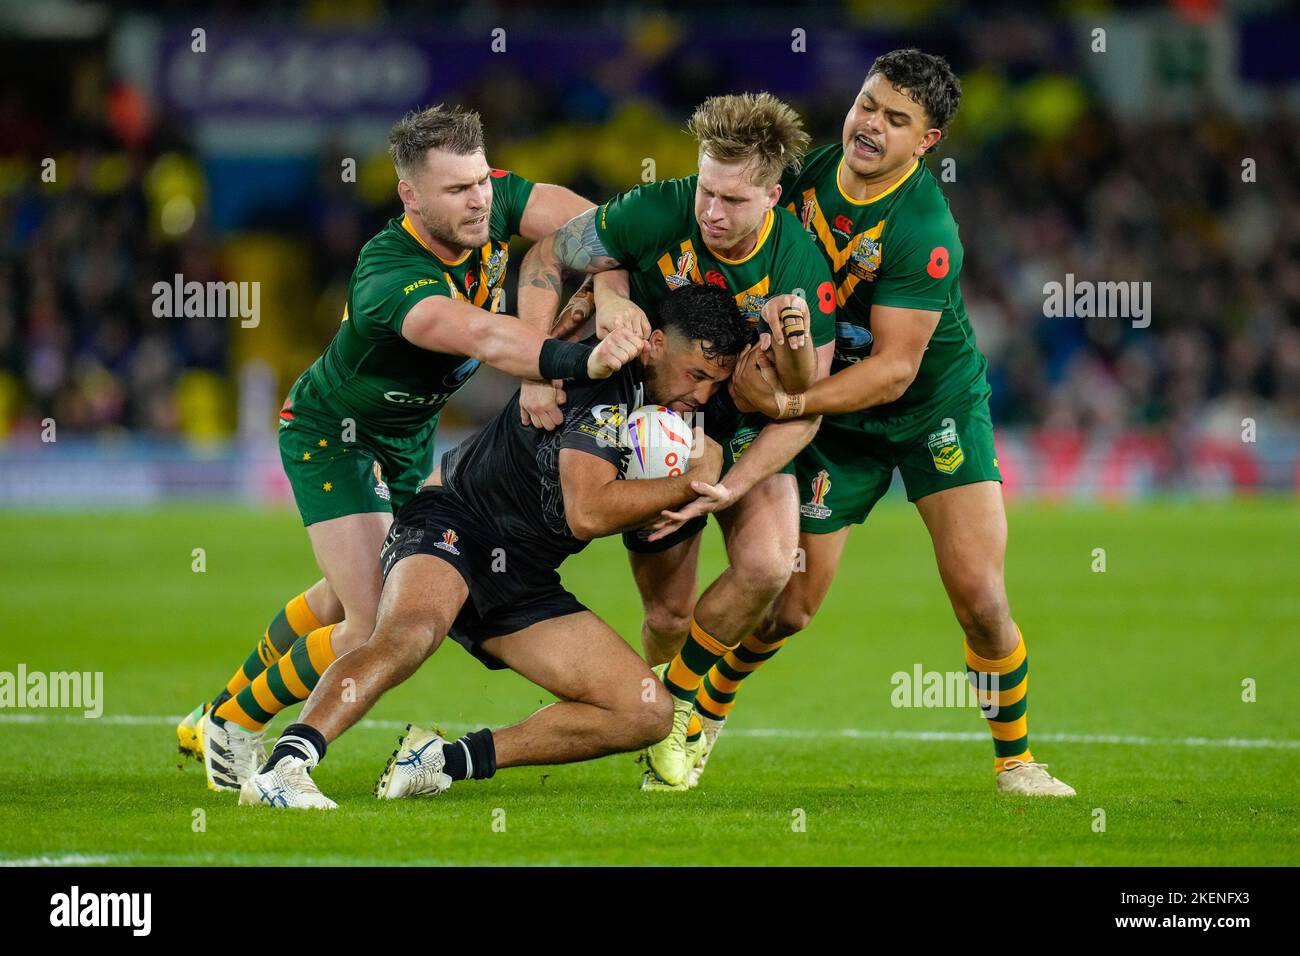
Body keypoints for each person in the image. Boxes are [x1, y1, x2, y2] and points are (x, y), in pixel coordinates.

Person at [177, 103, 608, 792]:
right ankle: (231, 721)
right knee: (375, 621)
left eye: (481, 182)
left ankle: (214, 708)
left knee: (346, 593)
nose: (478, 201)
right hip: (335, 437)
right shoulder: (387, 273)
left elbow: (594, 226)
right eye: (456, 189)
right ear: (410, 195)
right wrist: (583, 361)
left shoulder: (486, 202)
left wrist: (615, 279)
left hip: (408, 440)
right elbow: (484, 339)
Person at [701, 50, 1076, 797]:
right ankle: (706, 710)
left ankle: (1018, 762)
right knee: (791, 607)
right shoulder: (801, 175)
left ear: (927, 141)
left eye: (896, 119)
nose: (871, 124)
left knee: (981, 597)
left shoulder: (924, 227)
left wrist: (789, 405)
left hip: (929, 409)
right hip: (836, 412)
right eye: (869, 104)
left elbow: (896, 370)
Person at [237, 284, 760, 809]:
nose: (701, 395)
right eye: (696, 375)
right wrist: (692, 482)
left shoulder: (668, 407)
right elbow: (588, 511)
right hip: (458, 522)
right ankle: (286, 767)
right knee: (410, 632)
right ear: (655, 344)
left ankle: (440, 761)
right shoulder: (604, 379)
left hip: (524, 573)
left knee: (645, 711)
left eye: (713, 383)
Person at [519, 93, 838, 789]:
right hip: (662, 422)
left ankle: (682, 711)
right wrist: (546, 353)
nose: (711, 213)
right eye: (706, 190)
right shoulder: (656, 209)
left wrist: (734, 485)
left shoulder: (800, 267)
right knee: (666, 613)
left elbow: (805, 408)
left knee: (769, 567)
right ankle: (651, 710)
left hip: (749, 425)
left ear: (774, 196)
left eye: (733, 200)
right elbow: (551, 249)